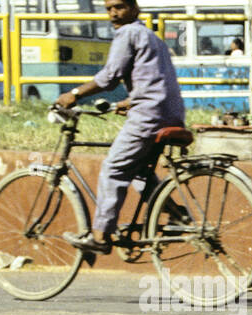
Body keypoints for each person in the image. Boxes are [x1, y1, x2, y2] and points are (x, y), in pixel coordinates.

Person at [57, 0, 185, 256]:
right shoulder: (151, 36)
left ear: (134, 8)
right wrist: (128, 102)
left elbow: (110, 76)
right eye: (108, 8)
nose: (113, 13)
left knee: (113, 168)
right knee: (139, 173)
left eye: (120, 6)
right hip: (169, 113)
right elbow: (154, 79)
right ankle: (177, 215)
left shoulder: (127, 33)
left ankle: (100, 236)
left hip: (149, 115)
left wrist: (74, 94)